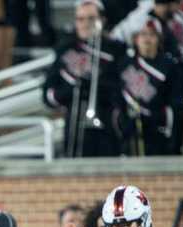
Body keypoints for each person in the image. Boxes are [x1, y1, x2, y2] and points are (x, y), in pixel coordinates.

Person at [42, 0, 126, 158]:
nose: (86, 24)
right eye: (80, 19)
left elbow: (122, 91)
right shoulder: (65, 49)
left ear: (103, 20)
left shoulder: (117, 51)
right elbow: (48, 96)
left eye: (91, 18)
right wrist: (71, 90)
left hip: (107, 127)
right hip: (74, 127)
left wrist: (96, 86)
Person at [118, 17, 183, 156]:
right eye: (143, 34)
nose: (147, 39)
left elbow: (177, 103)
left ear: (159, 39)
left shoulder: (170, 67)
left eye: (152, 34)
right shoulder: (124, 65)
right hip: (131, 135)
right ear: (136, 39)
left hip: (159, 134)